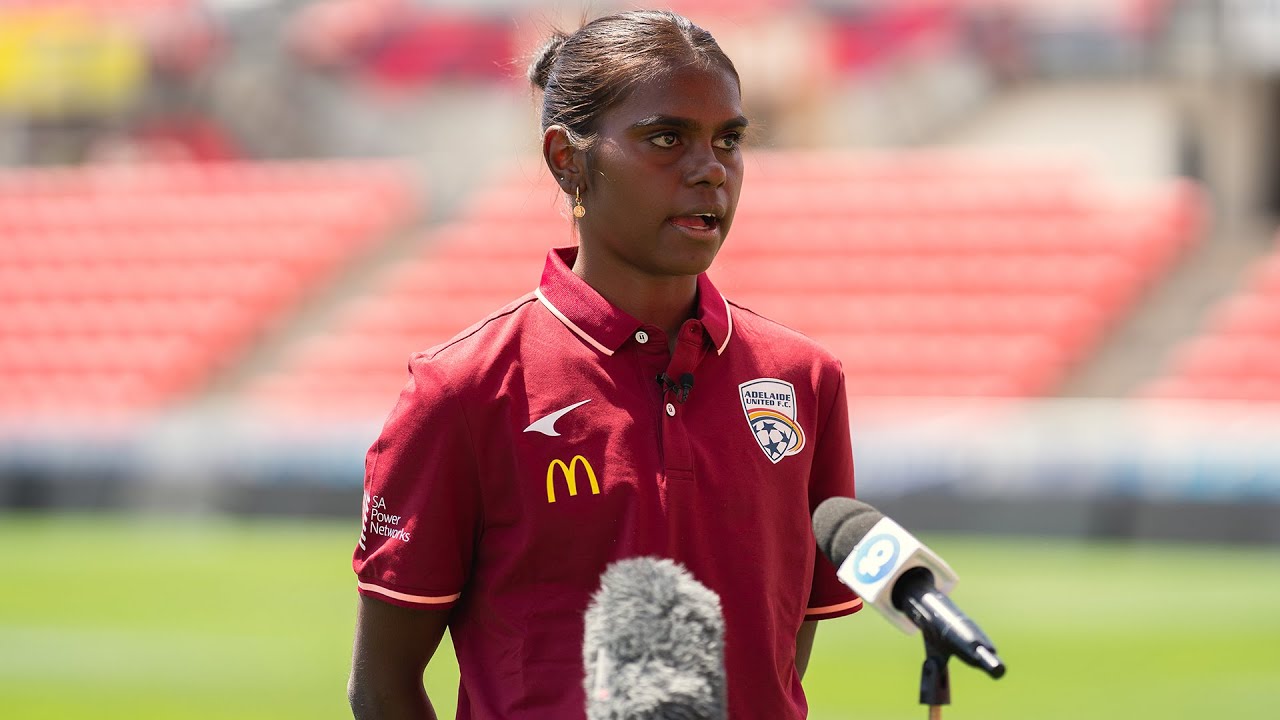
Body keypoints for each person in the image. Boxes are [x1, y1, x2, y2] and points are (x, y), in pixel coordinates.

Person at [347, 10, 861, 719]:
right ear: (567, 159)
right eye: (666, 138)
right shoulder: (462, 389)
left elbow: (777, 661)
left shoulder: (805, 381)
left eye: (729, 139)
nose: (710, 168)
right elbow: (383, 689)